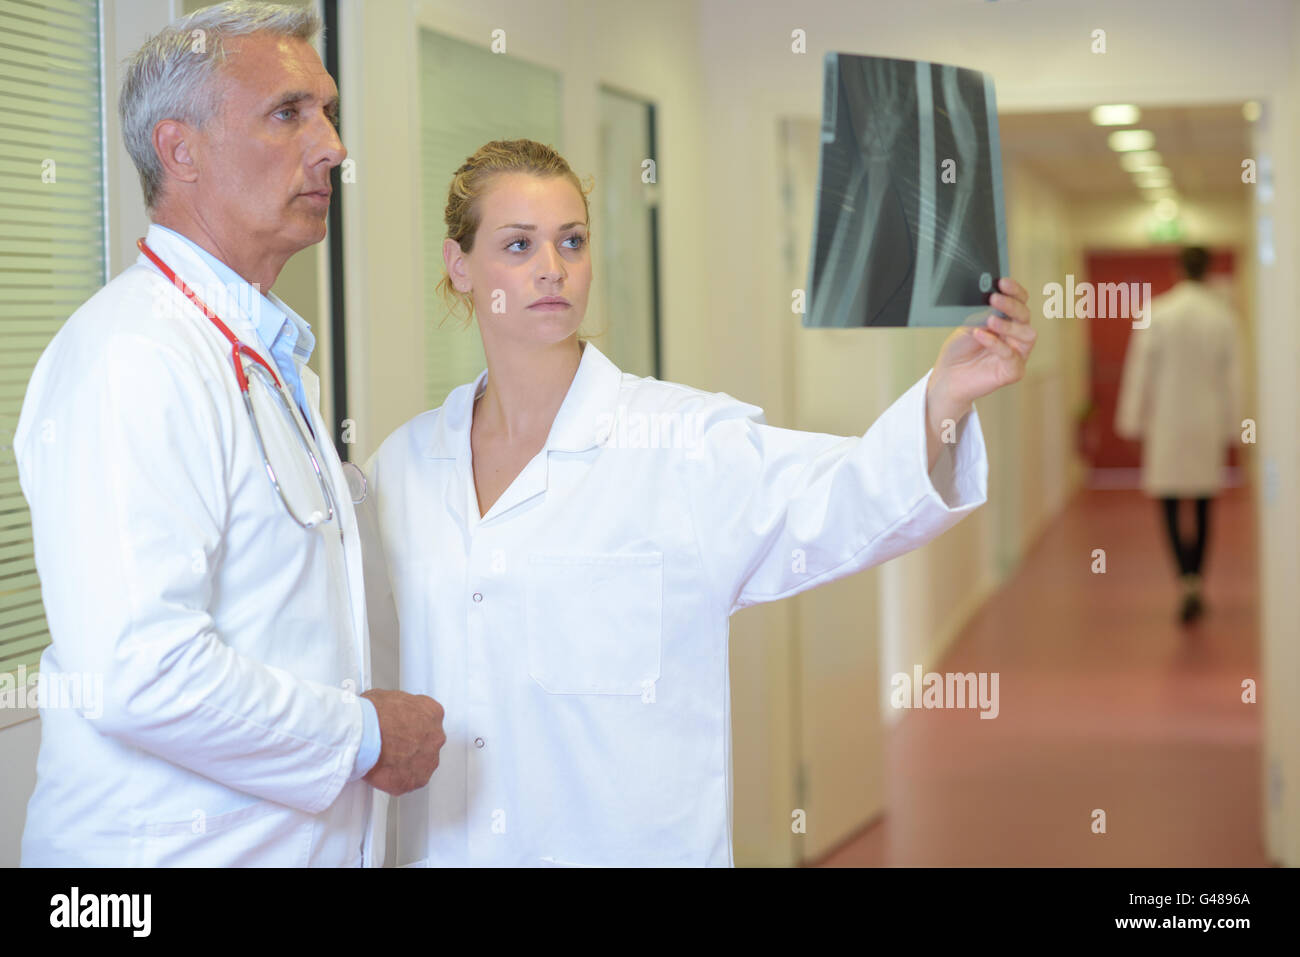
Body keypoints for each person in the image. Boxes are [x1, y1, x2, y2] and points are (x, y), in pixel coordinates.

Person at [363, 139, 1036, 867]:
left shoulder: (678, 441)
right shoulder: (402, 468)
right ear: (458, 265)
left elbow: (840, 497)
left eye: (572, 241)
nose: (552, 267)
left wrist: (944, 398)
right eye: (518, 244)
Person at [15, 1, 444, 867]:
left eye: (326, 113)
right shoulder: (131, 356)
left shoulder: (259, 353)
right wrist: (363, 734)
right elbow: (141, 671)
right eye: (289, 113)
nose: (333, 147)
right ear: (181, 150)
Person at [1115, 246, 1243, 624]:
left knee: (1169, 500)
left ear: (1177, 270)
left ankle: (1184, 578)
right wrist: (1238, 426)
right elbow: (1234, 377)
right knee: (1203, 502)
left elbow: (1140, 370)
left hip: (1166, 422)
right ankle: (1196, 580)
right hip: (1206, 421)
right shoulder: (1223, 317)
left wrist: (1131, 421)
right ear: (1207, 272)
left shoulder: (1157, 313)